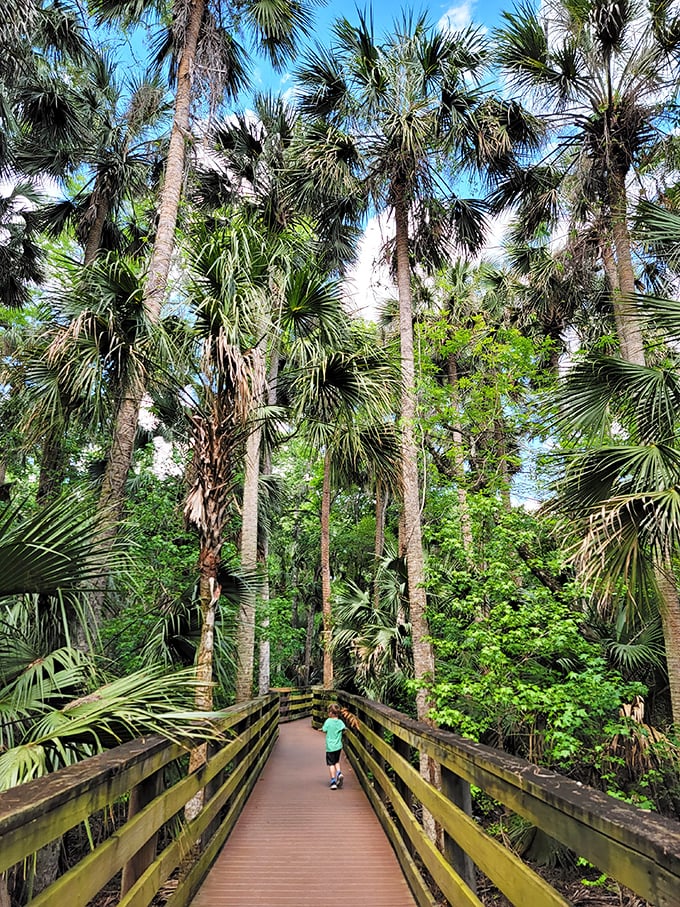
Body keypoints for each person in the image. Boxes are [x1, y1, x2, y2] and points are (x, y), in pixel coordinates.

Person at [321, 703, 346, 789]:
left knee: (331, 764)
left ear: (331, 713)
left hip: (330, 747)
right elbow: (344, 729)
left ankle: (333, 782)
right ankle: (339, 773)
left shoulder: (328, 721)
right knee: (336, 762)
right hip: (338, 746)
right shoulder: (340, 722)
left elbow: (324, 730)